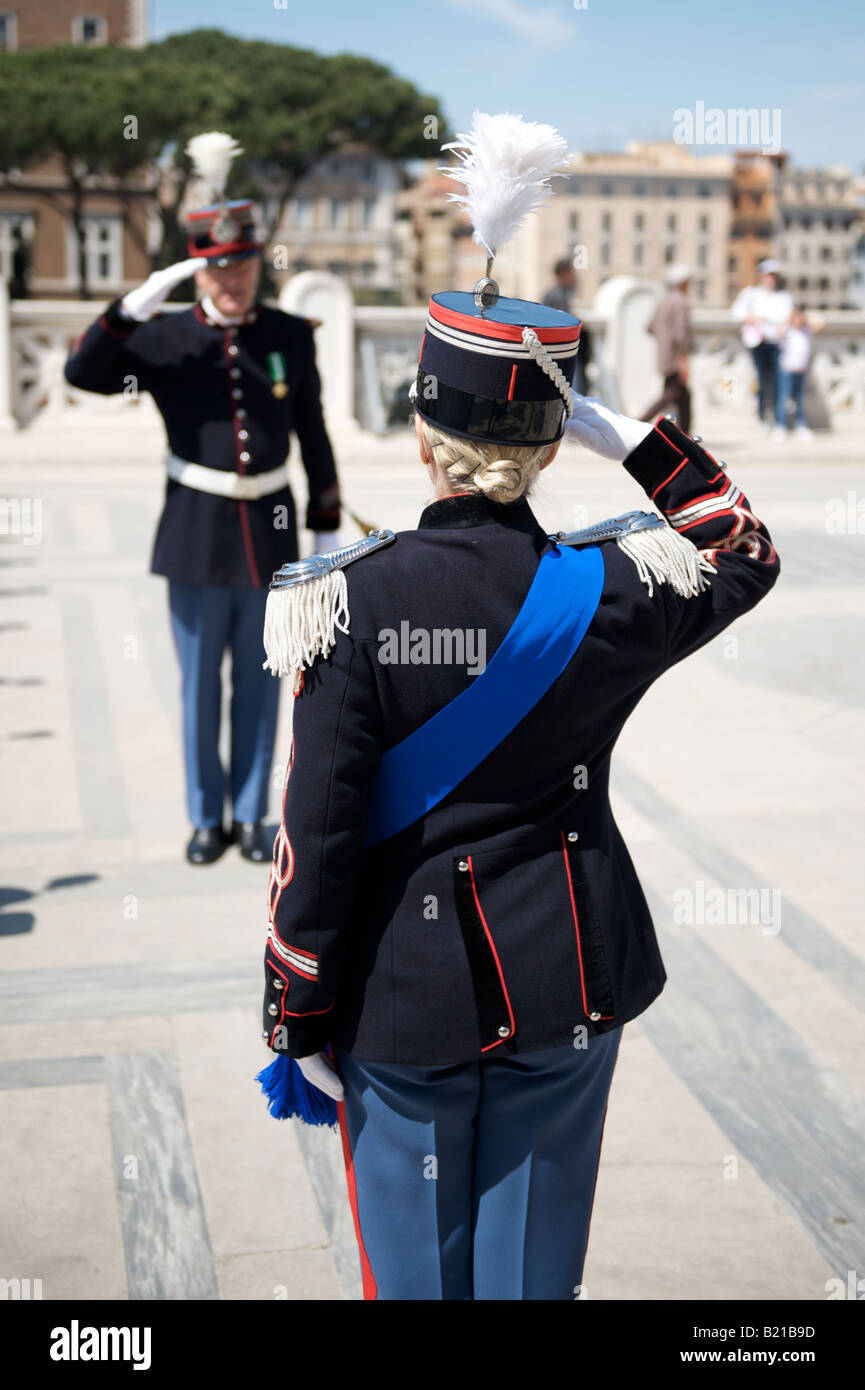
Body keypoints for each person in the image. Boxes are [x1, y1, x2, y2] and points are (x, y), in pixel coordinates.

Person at [257, 113, 780, 1301]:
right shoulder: (611, 591)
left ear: (423, 437)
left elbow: (319, 837)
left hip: (402, 996)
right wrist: (635, 442)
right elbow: (744, 551)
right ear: (550, 451)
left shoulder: (349, 603)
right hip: (566, 981)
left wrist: (296, 1005)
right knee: (533, 1284)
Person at [64, 132, 341, 864]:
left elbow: (311, 427)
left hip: (271, 532)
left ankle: (253, 815)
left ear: (256, 262)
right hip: (193, 531)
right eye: (218, 269)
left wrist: (324, 525)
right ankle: (203, 817)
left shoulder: (287, 334)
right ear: (197, 272)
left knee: (259, 683)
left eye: (243, 265)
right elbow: (83, 373)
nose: (233, 281)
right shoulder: (163, 340)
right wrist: (132, 304)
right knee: (196, 692)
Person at [731, 258, 793, 431]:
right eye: (767, 275)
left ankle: (777, 418)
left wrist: (766, 319)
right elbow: (736, 311)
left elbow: (784, 317)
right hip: (757, 343)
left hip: (776, 344)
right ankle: (762, 417)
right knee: (760, 381)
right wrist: (750, 318)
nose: (770, 279)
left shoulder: (783, 297)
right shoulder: (751, 294)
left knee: (777, 383)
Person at [640, 263, 694, 434]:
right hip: (675, 357)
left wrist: (663, 340)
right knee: (670, 395)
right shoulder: (681, 302)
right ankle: (640, 422)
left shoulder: (663, 301)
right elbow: (681, 335)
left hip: (663, 355)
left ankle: (683, 435)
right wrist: (683, 360)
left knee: (682, 396)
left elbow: (649, 327)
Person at [543, 256, 593, 394]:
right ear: (565, 273)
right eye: (572, 272)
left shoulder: (560, 293)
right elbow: (564, 324)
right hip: (563, 352)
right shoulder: (557, 295)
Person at [774, 305, 822, 440]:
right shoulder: (787, 330)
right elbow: (779, 331)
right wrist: (788, 319)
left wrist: (805, 319)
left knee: (799, 399)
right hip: (786, 369)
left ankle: (800, 425)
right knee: (783, 398)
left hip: (801, 370)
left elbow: (820, 323)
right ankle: (780, 425)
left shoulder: (806, 331)